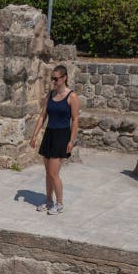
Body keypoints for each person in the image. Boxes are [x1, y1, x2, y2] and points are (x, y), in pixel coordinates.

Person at [29, 64, 79, 215]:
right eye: (52, 78)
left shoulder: (72, 97)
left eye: (56, 78)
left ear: (64, 78)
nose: (53, 81)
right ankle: (49, 200)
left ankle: (60, 203)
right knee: (47, 172)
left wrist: (71, 141)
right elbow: (42, 116)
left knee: (53, 173)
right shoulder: (50, 95)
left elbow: (75, 120)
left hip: (62, 136)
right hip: (49, 134)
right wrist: (34, 135)